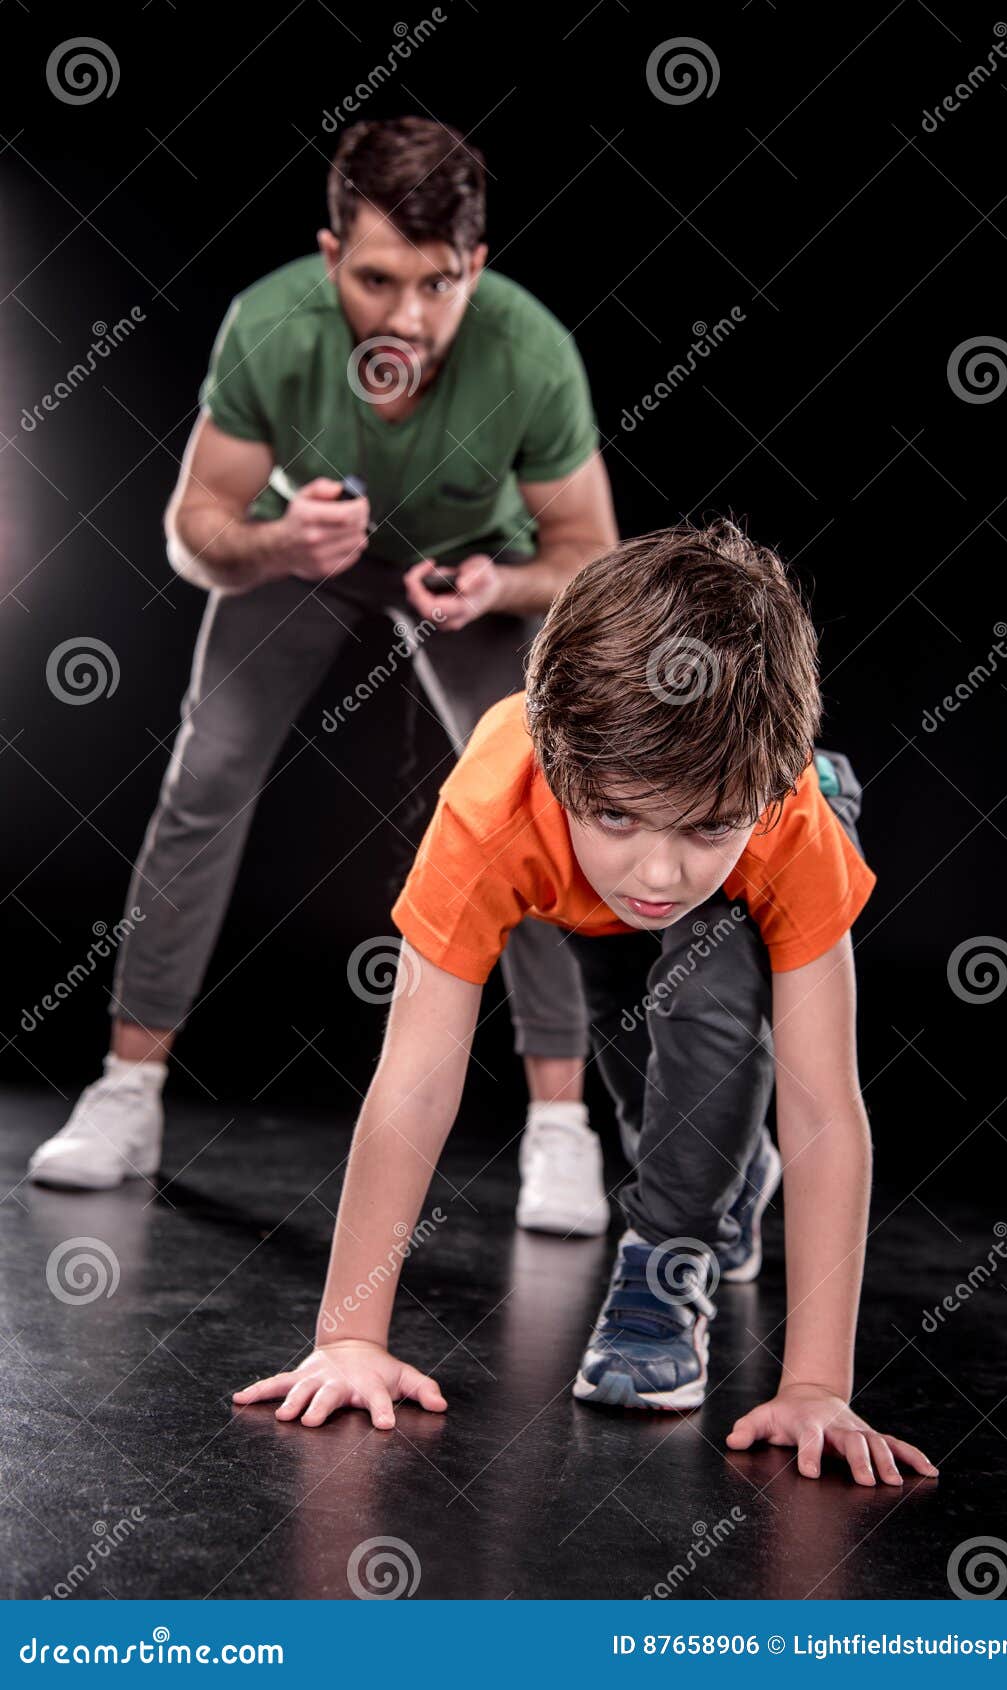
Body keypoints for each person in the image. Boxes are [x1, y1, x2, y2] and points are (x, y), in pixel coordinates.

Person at [232, 521, 940, 1486]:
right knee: (632, 1030)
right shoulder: (493, 803)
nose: (656, 869)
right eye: (616, 814)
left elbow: (824, 1107)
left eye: (702, 827)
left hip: (758, 869)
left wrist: (817, 1385)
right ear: (561, 769)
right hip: (580, 903)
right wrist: (348, 1334)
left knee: (711, 1003)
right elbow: (414, 1078)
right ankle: (722, 1181)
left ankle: (666, 1266)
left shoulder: (784, 824)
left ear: (761, 797)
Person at [28, 116, 619, 1231]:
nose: (407, 316)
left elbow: (589, 547)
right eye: (378, 278)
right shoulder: (272, 323)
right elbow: (193, 529)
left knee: (529, 802)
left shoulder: (530, 351)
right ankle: (129, 1089)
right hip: (305, 553)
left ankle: (559, 1126)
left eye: (438, 284)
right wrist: (277, 544)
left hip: (467, 571)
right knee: (206, 779)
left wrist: (499, 588)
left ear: (476, 268)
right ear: (331, 250)